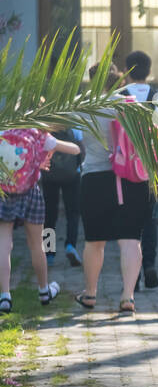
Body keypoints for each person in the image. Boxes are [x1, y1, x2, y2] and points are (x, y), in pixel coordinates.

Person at [76, 62, 150, 314]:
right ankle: (127, 296)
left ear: (91, 79)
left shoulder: (82, 104)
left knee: (94, 241)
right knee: (130, 240)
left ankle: (90, 294)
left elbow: (53, 127)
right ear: (118, 79)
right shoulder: (130, 105)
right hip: (130, 179)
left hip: (94, 178)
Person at [0, 129, 81, 312]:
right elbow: (76, 149)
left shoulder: (3, 127)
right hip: (34, 190)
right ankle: (45, 286)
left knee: (5, 244)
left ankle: (5, 295)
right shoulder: (38, 133)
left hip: (7, 192)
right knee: (41, 240)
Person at [120, 50, 158, 290]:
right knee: (150, 218)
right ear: (149, 71)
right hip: (154, 165)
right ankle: (149, 263)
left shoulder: (119, 96)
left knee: (130, 221)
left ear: (127, 71)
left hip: (128, 166)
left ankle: (135, 274)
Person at [40, 125, 84, 268]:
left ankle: (49, 254)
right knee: (73, 213)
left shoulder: (45, 124)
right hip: (72, 175)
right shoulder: (74, 123)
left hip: (49, 174)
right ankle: (70, 245)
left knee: (49, 215)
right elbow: (81, 150)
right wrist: (78, 167)